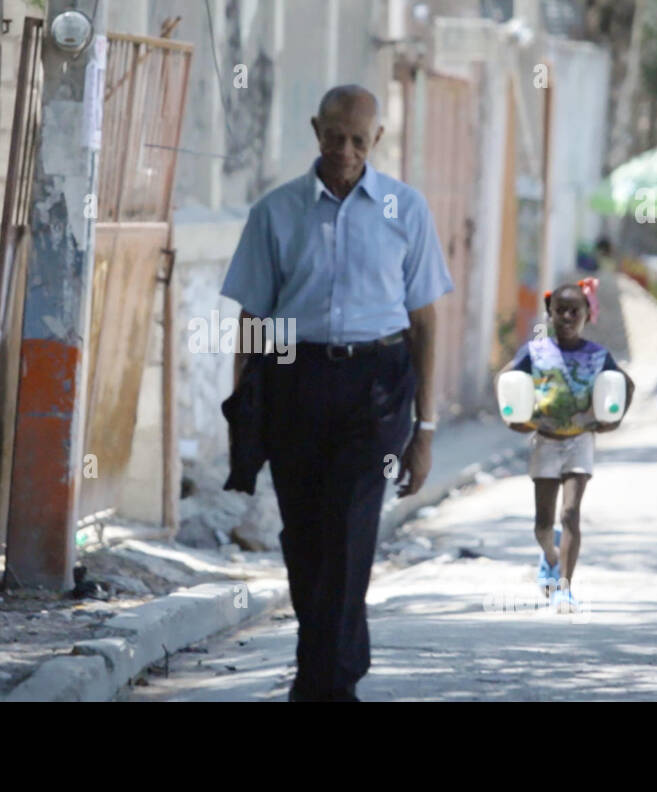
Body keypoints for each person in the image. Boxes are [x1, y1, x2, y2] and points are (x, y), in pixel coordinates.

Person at [221, 85, 453, 701]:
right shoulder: (275, 212)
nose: (344, 150)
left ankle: (330, 681)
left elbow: (426, 322)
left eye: (357, 138)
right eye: (333, 135)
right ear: (315, 129)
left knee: (350, 531)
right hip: (295, 380)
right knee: (304, 537)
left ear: (376, 139)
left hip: (377, 389)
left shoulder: (407, 210)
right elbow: (253, 321)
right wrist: (244, 413)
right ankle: (321, 664)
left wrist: (425, 429)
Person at [497, 281, 634, 611]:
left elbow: (627, 385)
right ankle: (550, 556)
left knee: (570, 513)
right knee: (543, 525)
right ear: (550, 313)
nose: (568, 317)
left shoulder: (598, 356)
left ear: (588, 314)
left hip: (580, 442)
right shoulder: (536, 352)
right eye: (561, 311)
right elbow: (505, 380)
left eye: (576, 311)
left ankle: (564, 588)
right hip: (545, 442)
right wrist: (515, 418)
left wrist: (611, 420)